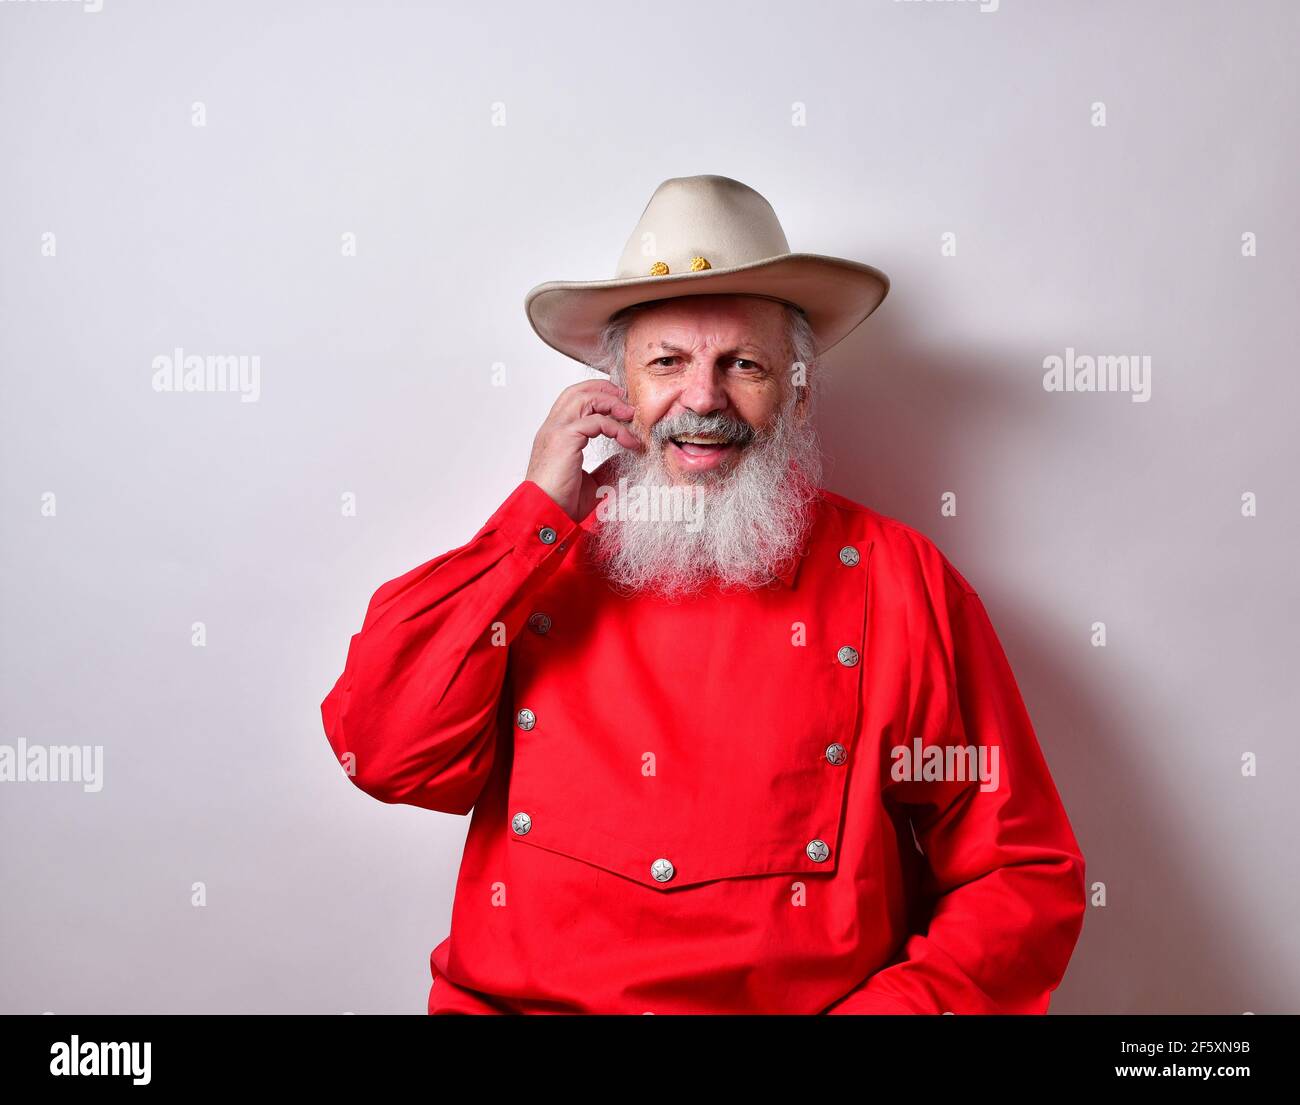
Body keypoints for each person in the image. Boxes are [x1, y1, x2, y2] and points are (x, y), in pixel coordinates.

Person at [320, 174, 1087, 1014]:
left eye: (743, 364)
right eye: (667, 363)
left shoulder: (899, 581)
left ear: (795, 388)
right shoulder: (537, 564)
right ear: (619, 389)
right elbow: (384, 751)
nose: (703, 398)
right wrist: (531, 518)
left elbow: (1019, 874)